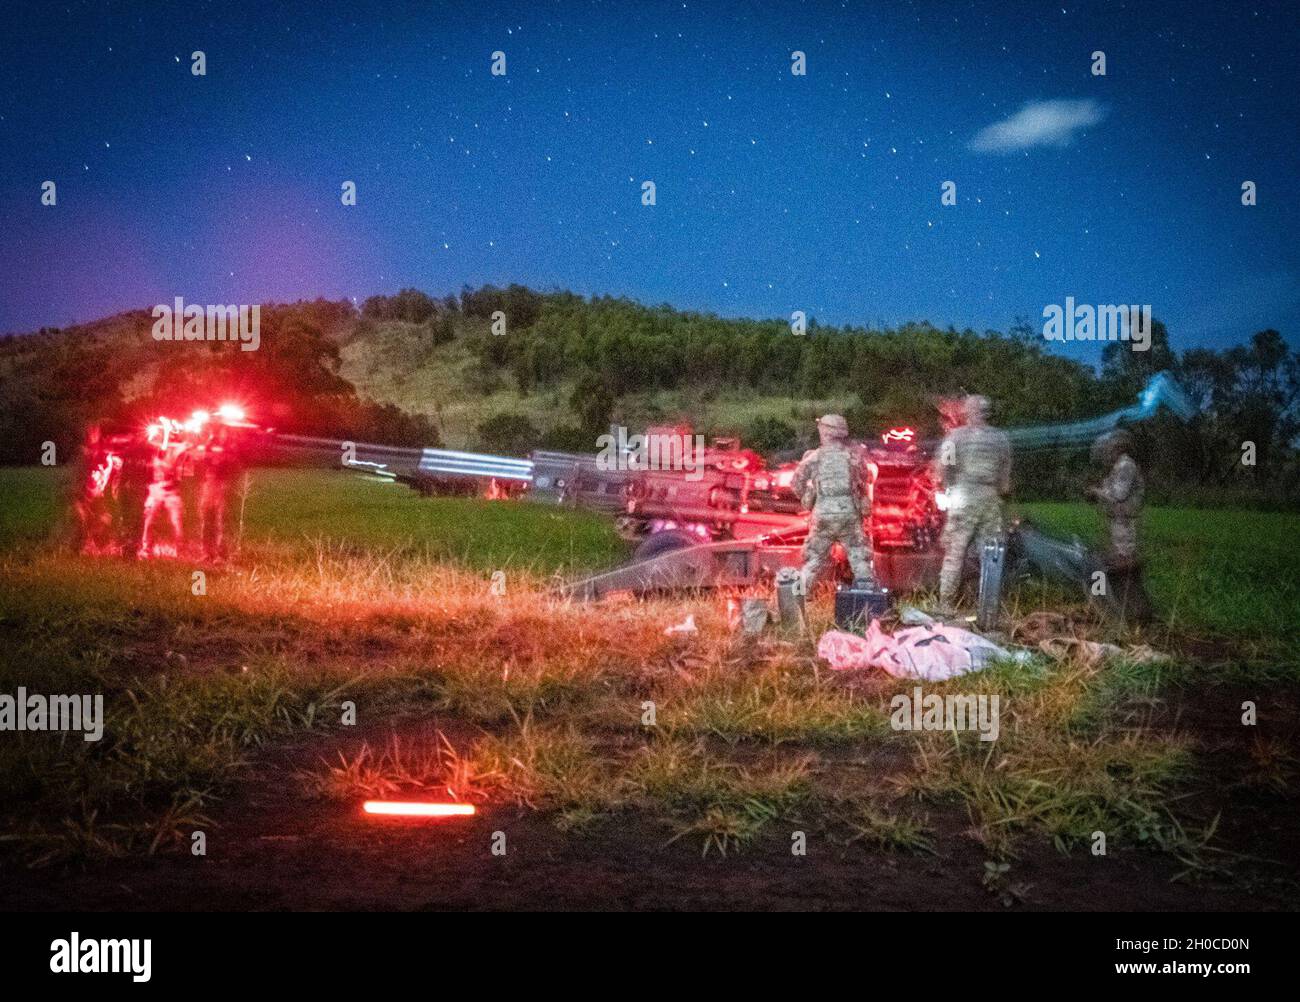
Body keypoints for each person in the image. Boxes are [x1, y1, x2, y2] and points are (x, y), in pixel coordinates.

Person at [936, 394, 1012, 615]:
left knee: (954, 552)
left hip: (964, 497)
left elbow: (943, 470)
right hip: (990, 499)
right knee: (991, 554)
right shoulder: (1001, 439)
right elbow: (1005, 483)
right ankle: (988, 607)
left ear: (967, 412)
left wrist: (948, 487)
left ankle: (946, 605)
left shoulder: (956, 437)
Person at [791, 414, 875, 592]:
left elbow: (796, 482)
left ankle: (796, 602)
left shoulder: (814, 457)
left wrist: (808, 497)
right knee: (859, 558)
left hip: (823, 516)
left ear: (825, 432)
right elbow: (864, 482)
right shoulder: (853, 457)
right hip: (849, 515)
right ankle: (868, 600)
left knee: (813, 562)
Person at [1087, 429, 1153, 622]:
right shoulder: (1119, 467)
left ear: (1117, 448)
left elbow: (1119, 495)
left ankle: (1133, 610)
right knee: (1117, 560)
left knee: (1124, 562)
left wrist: (1096, 492)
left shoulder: (1125, 466)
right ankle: (1125, 607)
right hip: (1118, 520)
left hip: (1124, 522)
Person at [196, 423, 242, 561]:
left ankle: (220, 554)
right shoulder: (210, 444)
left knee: (221, 521)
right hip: (208, 485)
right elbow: (202, 460)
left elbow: (235, 466)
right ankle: (206, 553)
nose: (223, 434)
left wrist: (228, 483)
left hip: (223, 486)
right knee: (206, 520)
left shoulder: (233, 448)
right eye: (221, 431)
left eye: (226, 432)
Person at [138, 432, 188, 559]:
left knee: (176, 521)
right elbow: (152, 444)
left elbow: (187, 444)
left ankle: (180, 550)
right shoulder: (155, 452)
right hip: (156, 489)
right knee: (149, 520)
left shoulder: (176, 451)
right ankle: (146, 550)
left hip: (171, 490)